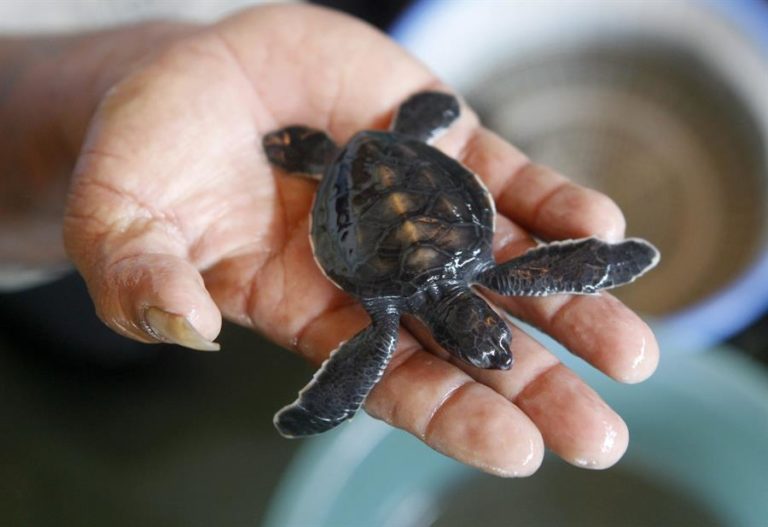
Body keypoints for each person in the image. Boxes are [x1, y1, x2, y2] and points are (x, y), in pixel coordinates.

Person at [0, 4, 658, 477]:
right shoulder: (454, 286)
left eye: (487, 344)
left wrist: (323, 405)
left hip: (352, 129)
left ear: (473, 323)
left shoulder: (403, 307)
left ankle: (384, 137)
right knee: (104, 342)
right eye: (498, 337)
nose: (498, 344)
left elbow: (369, 356)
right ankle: (363, 144)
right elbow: (367, 361)